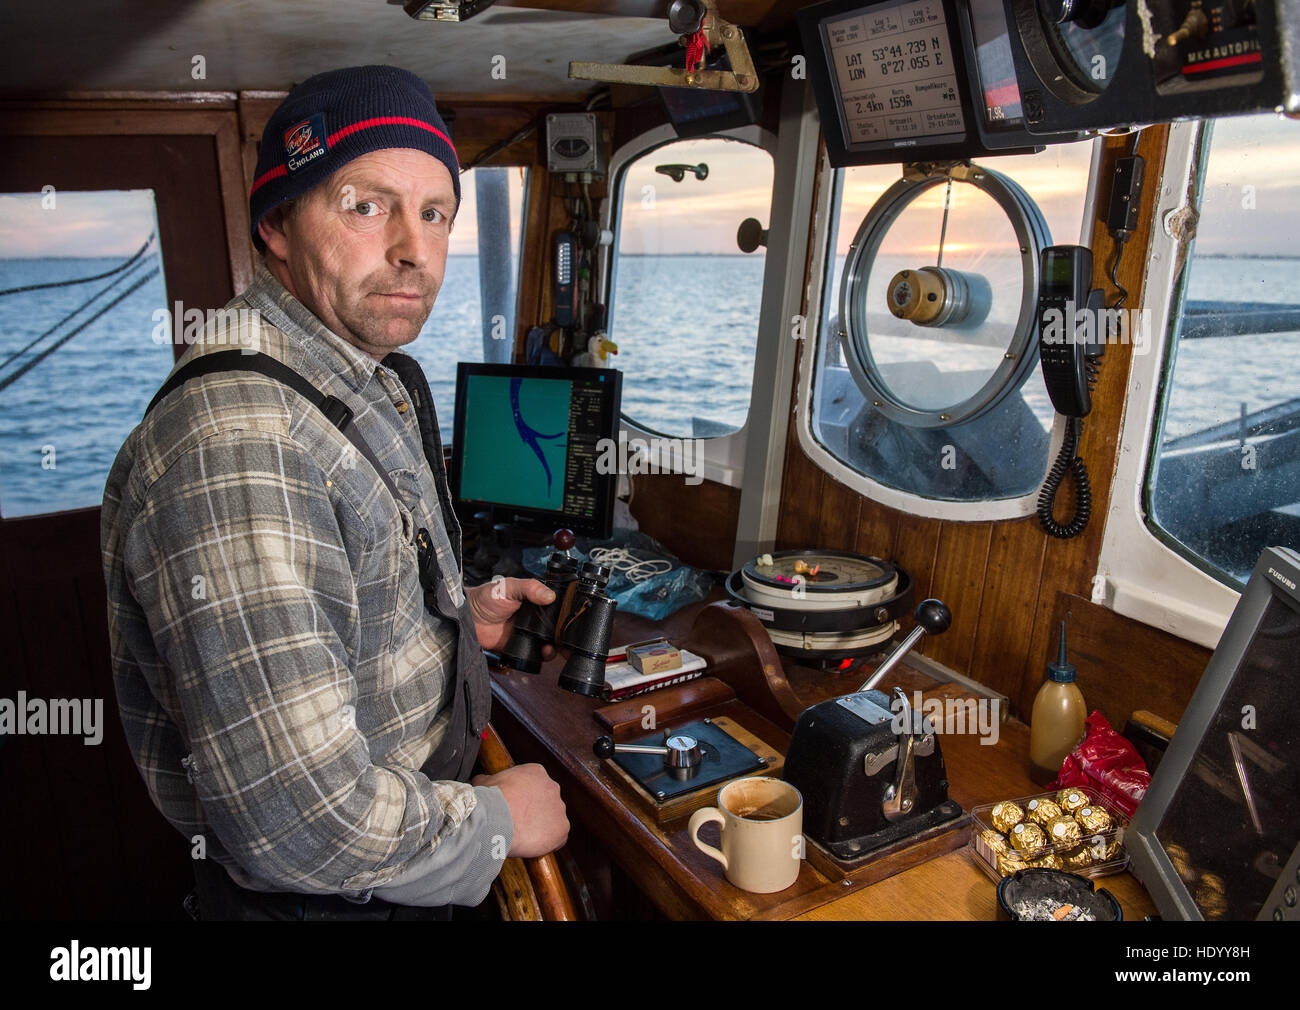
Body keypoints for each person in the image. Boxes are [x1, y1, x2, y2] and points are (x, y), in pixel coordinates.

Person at [100, 65, 568, 920]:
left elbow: (338, 591)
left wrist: (452, 617)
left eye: (434, 214)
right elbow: (302, 822)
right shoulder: (243, 443)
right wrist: (498, 819)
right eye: (367, 205)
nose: (412, 249)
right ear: (277, 223)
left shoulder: (346, 376)